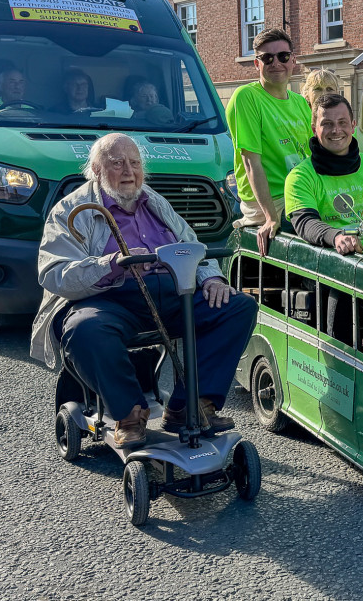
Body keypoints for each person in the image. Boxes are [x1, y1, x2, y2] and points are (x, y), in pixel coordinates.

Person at [30, 133, 258, 447]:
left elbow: (189, 245)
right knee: (85, 329)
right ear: (96, 170)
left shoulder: (153, 200)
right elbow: (53, 273)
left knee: (238, 306)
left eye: (135, 163)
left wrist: (211, 278)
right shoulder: (70, 209)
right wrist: (112, 264)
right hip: (109, 298)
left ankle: (189, 405)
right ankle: (129, 413)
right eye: (117, 163)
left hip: (171, 291)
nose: (129, 171)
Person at [225, 27, 312, 256]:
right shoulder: (246, 97)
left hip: (301, 193)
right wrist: (271, 217)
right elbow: (251, 162)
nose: (276, 63)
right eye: (267, 58)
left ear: (293, 60)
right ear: (257, 64)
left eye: (283, 56)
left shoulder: (300, 103)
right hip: (272, 202)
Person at [285, 93, 363, 255]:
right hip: (334, 264)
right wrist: (336, 237)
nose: (336, 130)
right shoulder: (300, 176)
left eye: (342, 122)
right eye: (327, 124)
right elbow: (305, 222)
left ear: (353, 126)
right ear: (314, 130)